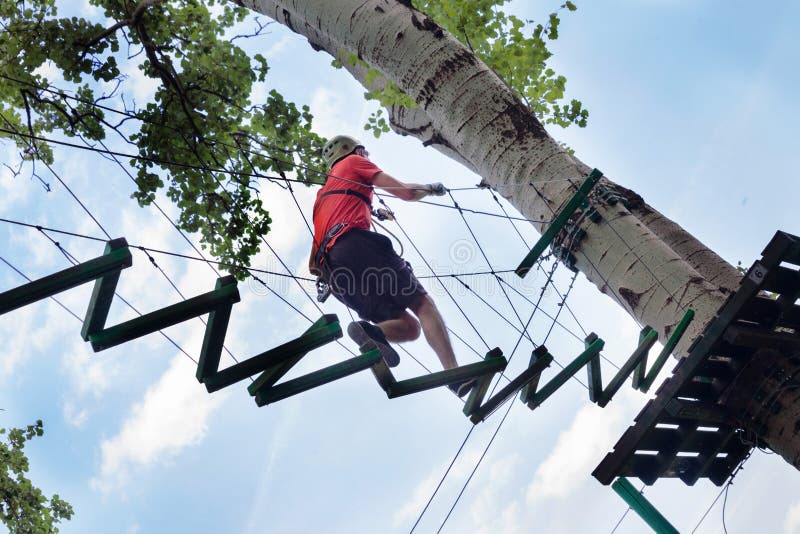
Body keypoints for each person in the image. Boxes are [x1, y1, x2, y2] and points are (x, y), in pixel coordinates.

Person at [309, 135, 475, 397]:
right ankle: (454, 375)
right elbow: (406, 192)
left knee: (409, 327)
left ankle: (370, 332)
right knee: (423, 305)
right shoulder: (353, 162)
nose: (367, 157)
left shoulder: (322, 196)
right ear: (354, 151)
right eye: (365, 152)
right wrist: (431, 188)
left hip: (333, 273)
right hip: (356, 246)